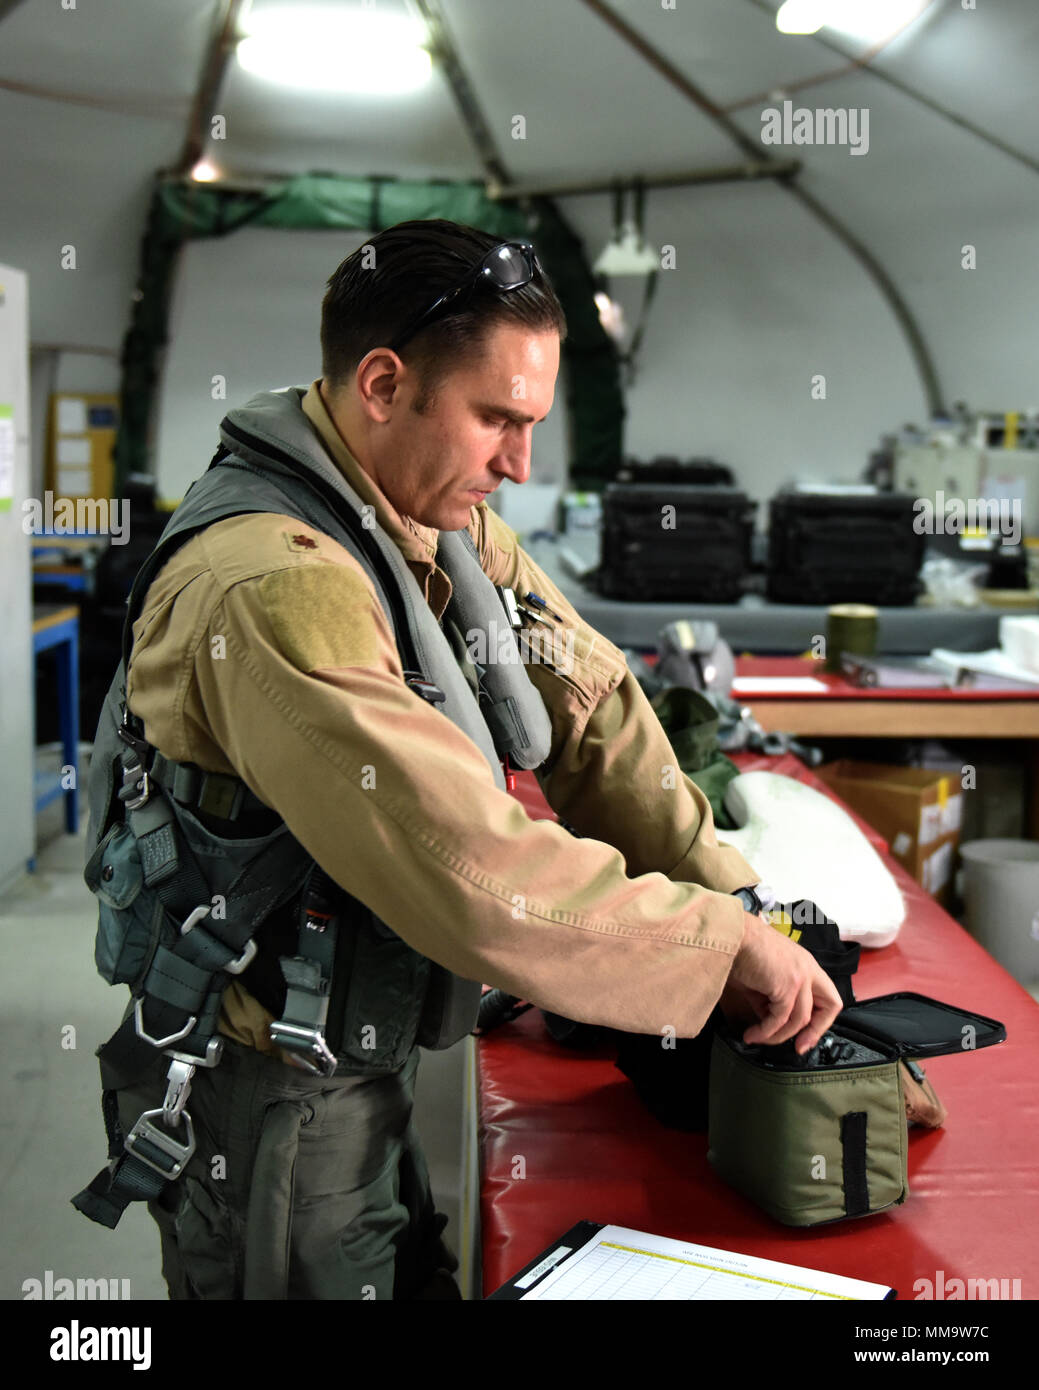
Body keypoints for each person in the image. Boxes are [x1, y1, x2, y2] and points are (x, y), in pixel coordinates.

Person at [101, 217, 842, 1300]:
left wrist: (743, 898)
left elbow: (591, 709)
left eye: (532, 421)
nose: (520, 462)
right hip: (264, 1098)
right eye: (497, 417)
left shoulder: (425, 519)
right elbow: (465, 866)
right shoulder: (275, 584)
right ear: (384, 384)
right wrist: (711, 945)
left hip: (354, 1058)